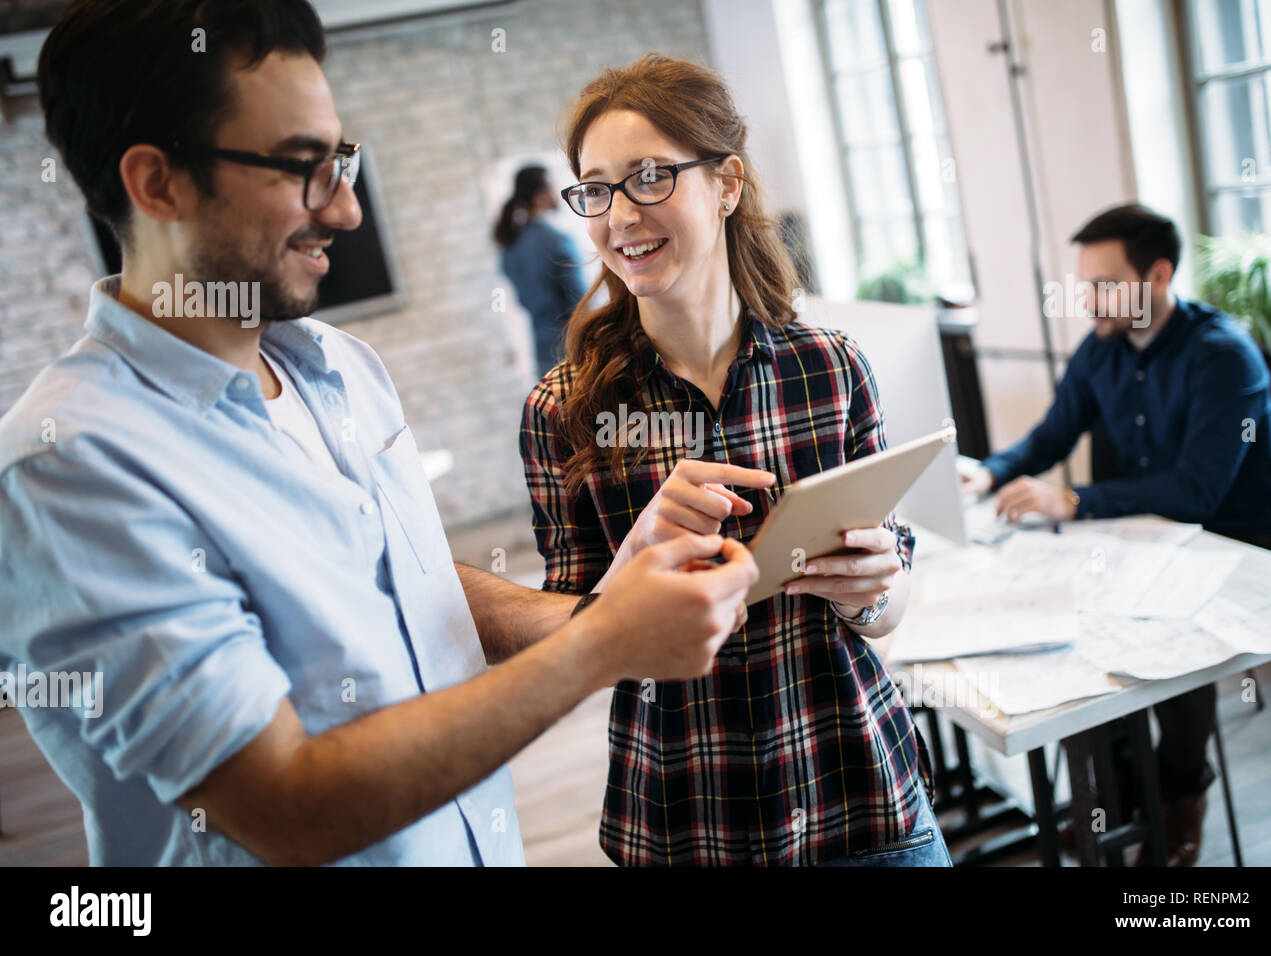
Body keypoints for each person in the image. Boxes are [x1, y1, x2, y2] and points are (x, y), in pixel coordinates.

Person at [0, 0, 757, 867]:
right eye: (301, 167)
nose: (347, 210)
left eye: (340, 160)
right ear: (156, 183)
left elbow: (408, 583)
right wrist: (603, 646)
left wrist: (603, 607)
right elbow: (285, 805)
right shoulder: (71, 466)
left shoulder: (338, 366)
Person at [519, 54, 948, 867]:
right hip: (687, 820)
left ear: (726, 184)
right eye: (596, 189)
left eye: (649, 177)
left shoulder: (830, 366)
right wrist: (632, 569)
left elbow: (891, 604)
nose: (619, 216)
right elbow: (564, 648)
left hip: (860, 799)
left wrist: (869, 593)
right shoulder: (564, 412)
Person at [963, 202, 1271, 865]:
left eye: (1104, 284)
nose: (1089, 301)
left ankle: (1179, 798)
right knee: (1065, 625)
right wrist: (990, 474)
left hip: (1225, 547)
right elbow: (1053, 433)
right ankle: (1114, 791)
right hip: (1136, 543)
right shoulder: (1102, 349)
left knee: (1173, 635)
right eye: (1084, 284)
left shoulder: (1221, 357)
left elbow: (1195, 491)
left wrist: (1074, 499)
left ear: (1160, 275)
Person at [494, 165, 587, 378]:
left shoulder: (510, 246)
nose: (558, 192)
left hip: (542, 352)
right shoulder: (557, 240)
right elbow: (581, 303)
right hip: (574, 350)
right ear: (540, 195)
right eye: (553, 186)